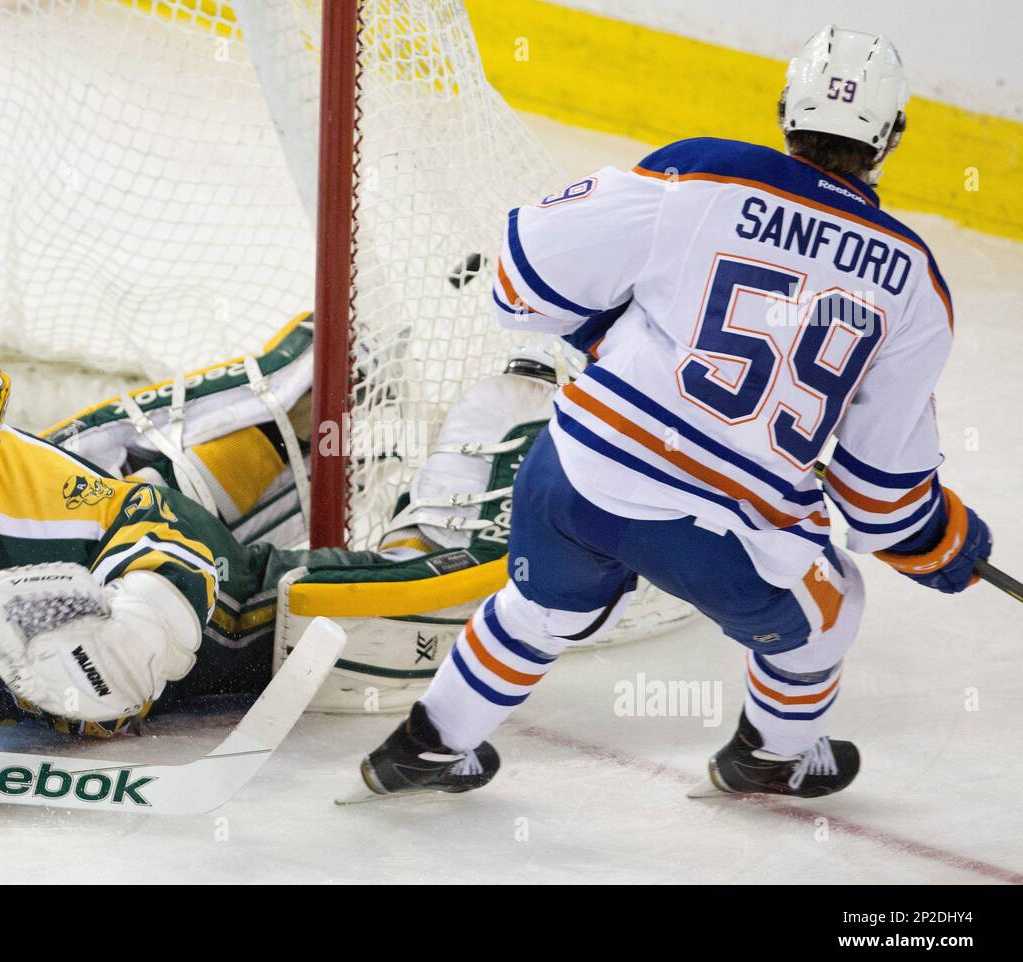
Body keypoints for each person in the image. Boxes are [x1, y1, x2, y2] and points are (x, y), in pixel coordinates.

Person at [355, 25, 992, 800]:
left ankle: (427, 745)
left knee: (539, 608)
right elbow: (879, 503)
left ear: (787, 109)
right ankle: (771, 756)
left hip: (572, 479)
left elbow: (517, 284)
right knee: (833, 607)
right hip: (722, 538)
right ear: (892, 138)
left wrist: (614, 327)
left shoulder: (698, 174)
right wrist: (946, 540)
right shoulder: (915, 286)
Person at [0, 310, 562, 736]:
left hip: (123, 528)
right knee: (146, 460)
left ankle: (486, 433)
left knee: (309, 612)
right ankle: (296, 410)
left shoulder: (43, 486)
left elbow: (158, 526)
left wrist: (150, 620)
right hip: (98, 501)